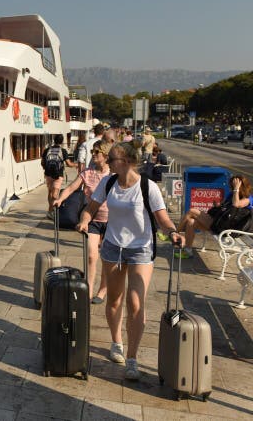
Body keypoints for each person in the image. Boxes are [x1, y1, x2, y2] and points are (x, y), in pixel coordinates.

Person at [76, 142, 183, 381]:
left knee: (135, 302)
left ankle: (132, 359)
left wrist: (174, 232)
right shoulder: (109, 182)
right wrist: (84, 221)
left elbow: (162, 218)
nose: (106, 162)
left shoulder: (148, 187)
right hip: (113, 247)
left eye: (111, 158)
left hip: (141, 249)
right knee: (114, 300)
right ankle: (117, 343)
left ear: (125, 161)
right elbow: (90, 208)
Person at [53, 139, 111, 303]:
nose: (92, 155)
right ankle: (89, 289)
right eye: (92, 152)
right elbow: (71, 188)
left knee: (106, 258)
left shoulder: (113, 175)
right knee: (92, 256)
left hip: (111, 221)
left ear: (105, 155)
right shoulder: (87, 173)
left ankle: (102, 291)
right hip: (91, 218)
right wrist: (59, 199)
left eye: (96, 152)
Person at [175, 175, 253, 258]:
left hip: (226, 229)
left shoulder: (249, 199)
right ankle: (188, 251)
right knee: (191, 222)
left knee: (192, 211)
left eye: (233, 185)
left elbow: (236, 204)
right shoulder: (232, 194)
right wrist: (218, 205)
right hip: (219, 223)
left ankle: (174, 233)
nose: (231, 187)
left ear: (241, 186)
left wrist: (236, 188)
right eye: (232, 185)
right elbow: (226, 208)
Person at [41, 134, 76, 219]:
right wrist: (76, 165)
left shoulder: (47, 150)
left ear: (54, 140)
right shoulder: (63, 151)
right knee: (55, 193)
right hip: (58, 175)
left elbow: (42, 162)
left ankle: (50, 211)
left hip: (48, 173)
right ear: (62, 141)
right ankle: (52, 211)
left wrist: (46, 168)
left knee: (50, 192)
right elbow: (69, 164)